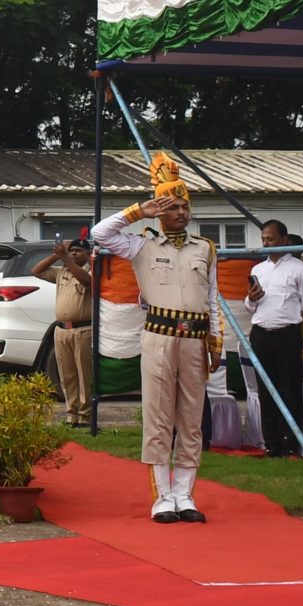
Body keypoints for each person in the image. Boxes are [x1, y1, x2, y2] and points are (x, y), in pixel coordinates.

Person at [91, 193, 217, 522]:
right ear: (160, 213)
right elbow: (100, 233)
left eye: (185, 207)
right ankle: (163, 497)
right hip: (160, 336)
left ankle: (184, 496)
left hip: (195, 339)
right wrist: (138, 212)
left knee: (191, 420)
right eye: (173, 207)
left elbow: (212, 297)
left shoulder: (205, 248)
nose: (181, 212)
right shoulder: (142, 246)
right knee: (159, 417)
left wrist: (215, 340)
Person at [244, 219, 303, 458]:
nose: (266, 243)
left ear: (284, 240)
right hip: (260, 334)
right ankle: (271, 443)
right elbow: (249, 307)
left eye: (271, 239)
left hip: (287, 334)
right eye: (263, 239)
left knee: (290, 390)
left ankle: (291, 443)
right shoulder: (258, 269)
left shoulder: (300, 269)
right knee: (265, 391)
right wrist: (251, 299)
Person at [31, 236, 96, 425]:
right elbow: (36, 271)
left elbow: (87, 282)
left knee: (84, 374)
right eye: (71, 250)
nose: (74, 253)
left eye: (78, 251)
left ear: (88, 254)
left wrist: (65, 258)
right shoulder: (62, 271)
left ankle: (84, 415)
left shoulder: (90, 270)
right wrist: (56, 256)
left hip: (83, 329)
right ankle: (71, 413)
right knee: (67, 375)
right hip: (62, 330)